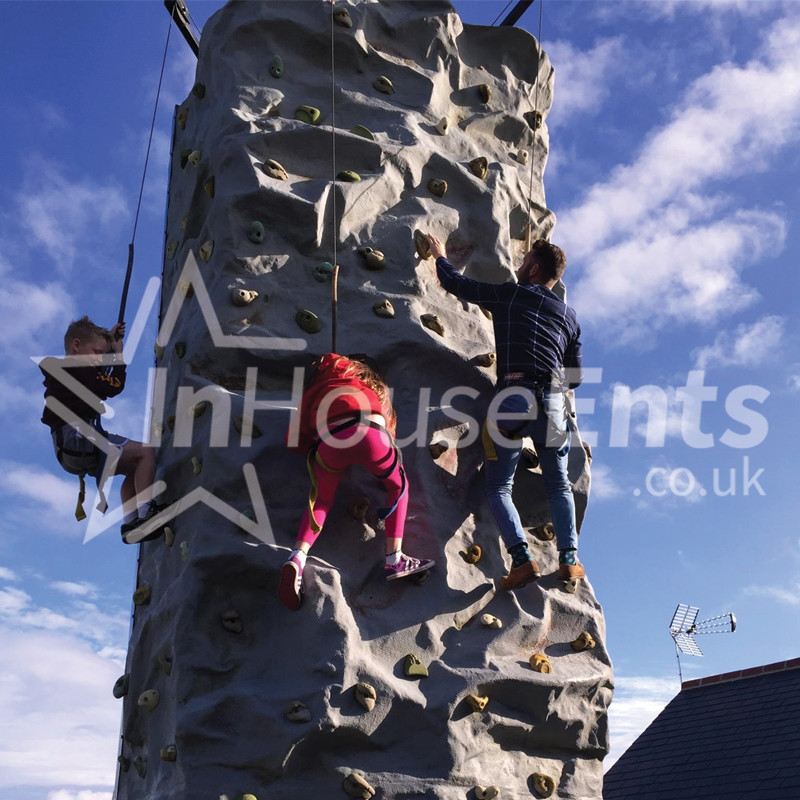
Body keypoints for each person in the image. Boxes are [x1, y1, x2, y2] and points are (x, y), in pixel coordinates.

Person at [427, 234, 585, 590]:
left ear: (531, 268)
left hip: (513, 395)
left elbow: (456, 283)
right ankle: (569, 562)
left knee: (499, 486)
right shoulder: (569, 317)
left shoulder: (512, 294)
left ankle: (522, 561)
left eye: (524, 258)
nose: (519, 263)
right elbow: (575, 378)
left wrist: (439, 256)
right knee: (558, 483)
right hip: (554, 404)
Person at [280, 352, 435, 610]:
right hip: (371, 433)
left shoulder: (316, 390)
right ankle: (394, 556)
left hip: (329, 440)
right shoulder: (372, 387)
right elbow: (390, 428)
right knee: (398, 485)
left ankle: (298, 556)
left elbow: (293, 440)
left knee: (321, 499)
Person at [40, 316, 162, 544]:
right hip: (78, 439)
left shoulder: (71, 373)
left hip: (69, 449)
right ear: (76, 346)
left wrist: (111, 346)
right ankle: (147, 513)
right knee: (146, 453)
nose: (99, 359)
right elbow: (111, 385)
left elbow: (99, 377)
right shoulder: (75, 368)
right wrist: (119, 355)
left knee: (135, 467)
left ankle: (131, 523)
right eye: (97, 352)